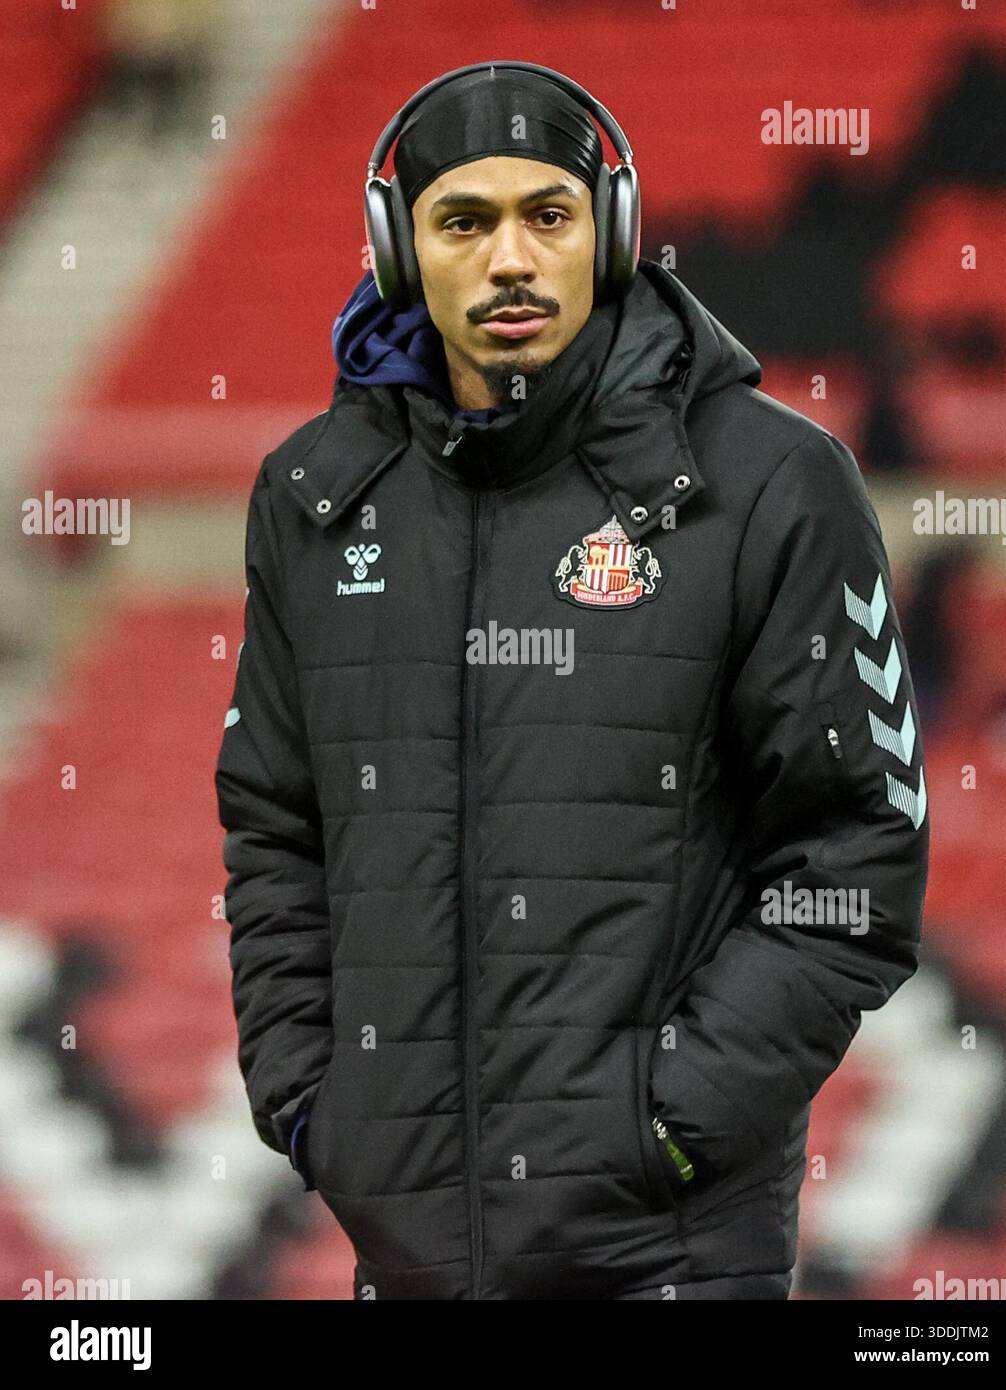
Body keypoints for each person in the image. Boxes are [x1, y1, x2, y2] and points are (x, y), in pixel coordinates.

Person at [214, 62, 930, 1301]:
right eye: (461, 220)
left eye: (547, 215)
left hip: (672, 1260)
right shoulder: (309, 498)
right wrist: (316, 1106)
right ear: (397, 249)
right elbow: (276, 828)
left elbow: (858, 850)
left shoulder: (772, 482)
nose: (507, 259)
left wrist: (667, 1122)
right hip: (405, 1262)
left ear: (610, 232)